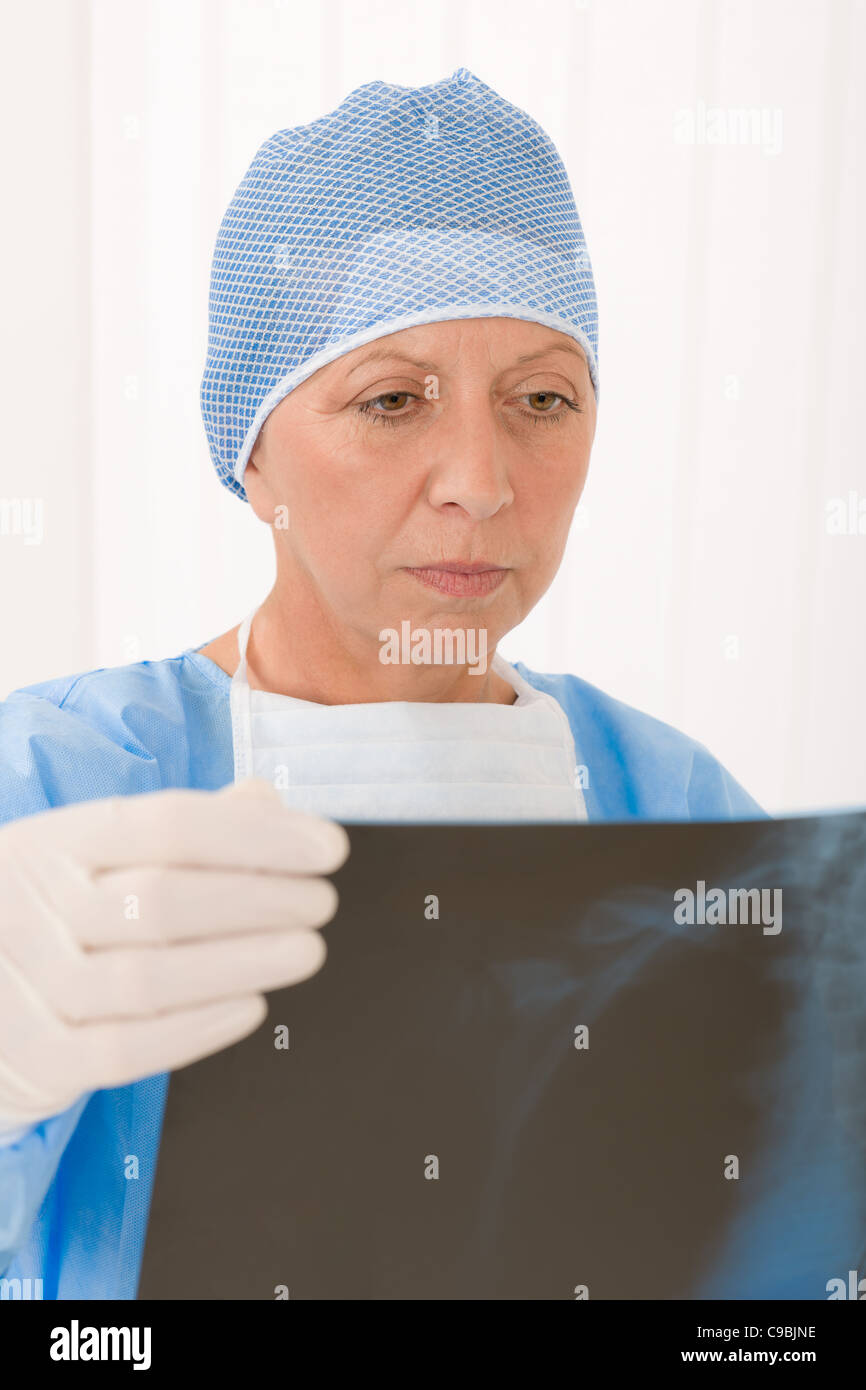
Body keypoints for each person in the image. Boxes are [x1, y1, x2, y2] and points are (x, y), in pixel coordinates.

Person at [0, 68, 764, 1300]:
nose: (479, 477)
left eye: (542, 400)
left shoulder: (679, 804)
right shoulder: (57, 787)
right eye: (392, 399)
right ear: (251, 453)